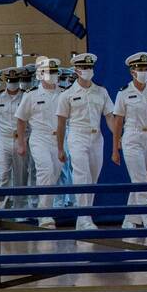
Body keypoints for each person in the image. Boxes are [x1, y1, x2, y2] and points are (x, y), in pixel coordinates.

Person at [54, 52, 113, 231]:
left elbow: (110, 117)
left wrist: (119, 136)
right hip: (77, 137)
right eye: (84, 68)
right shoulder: (67, 95)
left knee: (93, 179)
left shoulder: (101, 91)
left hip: (97, 138)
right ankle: (85, 218)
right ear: (77, 70)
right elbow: (61, 123)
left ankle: (84, 218)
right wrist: (60, 149)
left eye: (90, 67)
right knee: (82, 176)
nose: (88, 70)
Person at [111, 52, 147, 229]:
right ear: (132, 71)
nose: (144, 72)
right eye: (141, 69)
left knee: (143, 179)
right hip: (131, 137)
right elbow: (118, 121)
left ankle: (130, 219)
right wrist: (115, 148)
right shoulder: (124, 93)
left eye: (146, 68)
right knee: (140, 179)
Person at [15, 57, 65, 228]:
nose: (52, 75)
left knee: (54, 175)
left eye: (54, 72)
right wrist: (21, 143)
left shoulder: (64, 93)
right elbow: (21, 120)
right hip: (39, 138)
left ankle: (46, 208)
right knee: (46, 170)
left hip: (58, 139)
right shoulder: (32, 95)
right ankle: (44, 215)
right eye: (48, 72)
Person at [0, 68, 29, 210]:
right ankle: (0, 209)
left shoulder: (26, 97)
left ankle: (20, 210)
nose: (12, 84)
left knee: (21, 177)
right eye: (9, 81)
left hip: (21, 139)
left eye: (15, 81)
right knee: (2, 176)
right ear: (6, 81)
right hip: (3, 140)